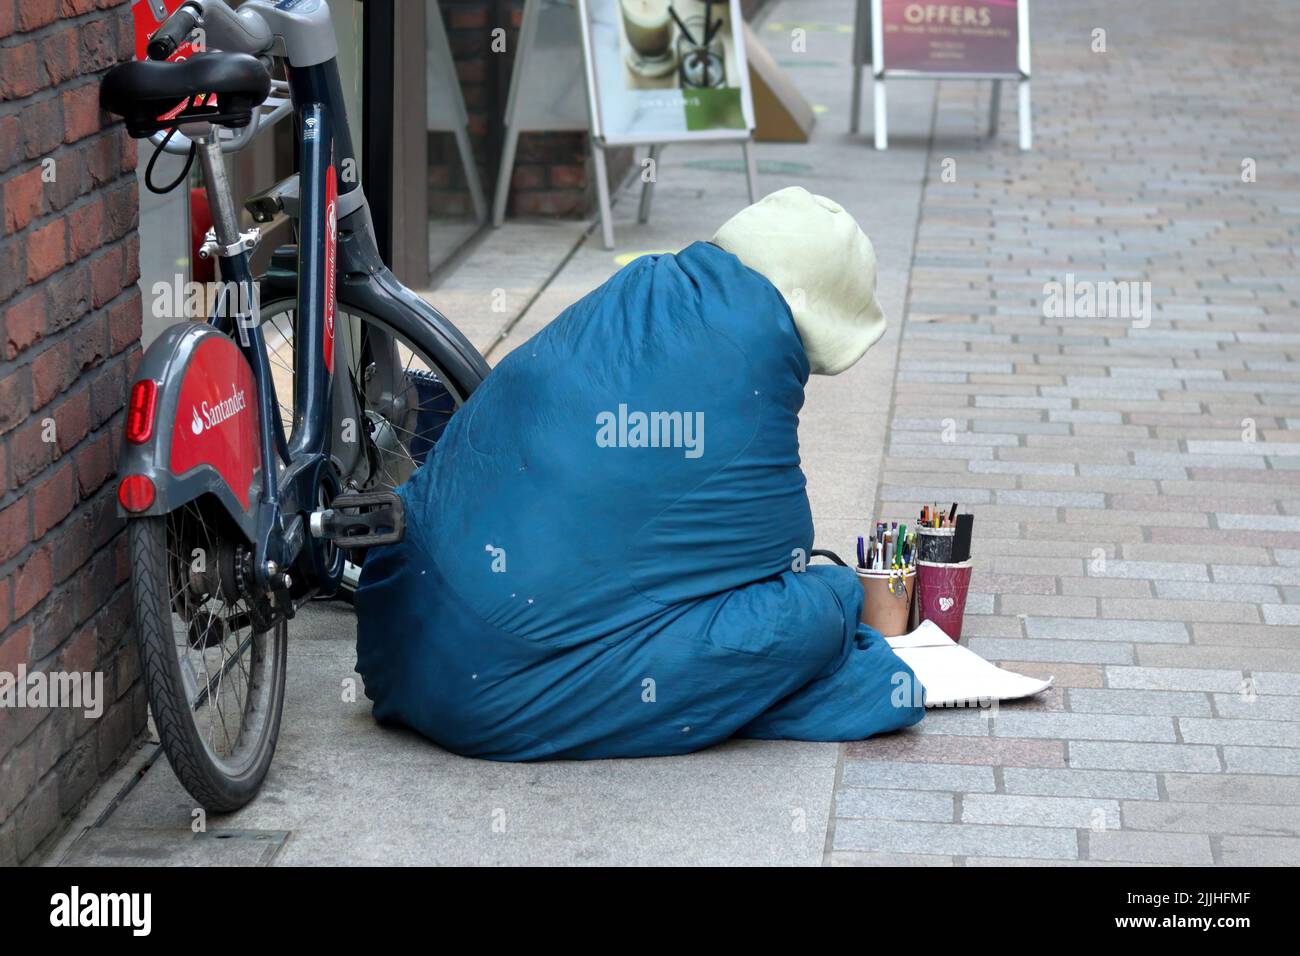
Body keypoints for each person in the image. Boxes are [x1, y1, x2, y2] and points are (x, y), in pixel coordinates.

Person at [355, 186, 926, 759]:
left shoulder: (633, 289)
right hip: (485, 691)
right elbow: (778, 562)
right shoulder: (746, 379)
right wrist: (842, 596)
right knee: (818, 609)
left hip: (394, 632)